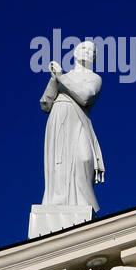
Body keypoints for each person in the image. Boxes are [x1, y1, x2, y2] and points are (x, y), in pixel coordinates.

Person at [39, 41, 104, 210]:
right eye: (83, 48)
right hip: (59, 116)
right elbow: (45, 105)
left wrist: (61, 77)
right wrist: (54, 80)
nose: (87, 52)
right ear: (75, 53)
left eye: (91, 51)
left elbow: (85, 96)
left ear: (94, 58)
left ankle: (84, 202)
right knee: (60, 162)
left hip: (79, 120)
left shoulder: (94, 78)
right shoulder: (63, 76)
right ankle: (57, 203)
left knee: (84, 158)